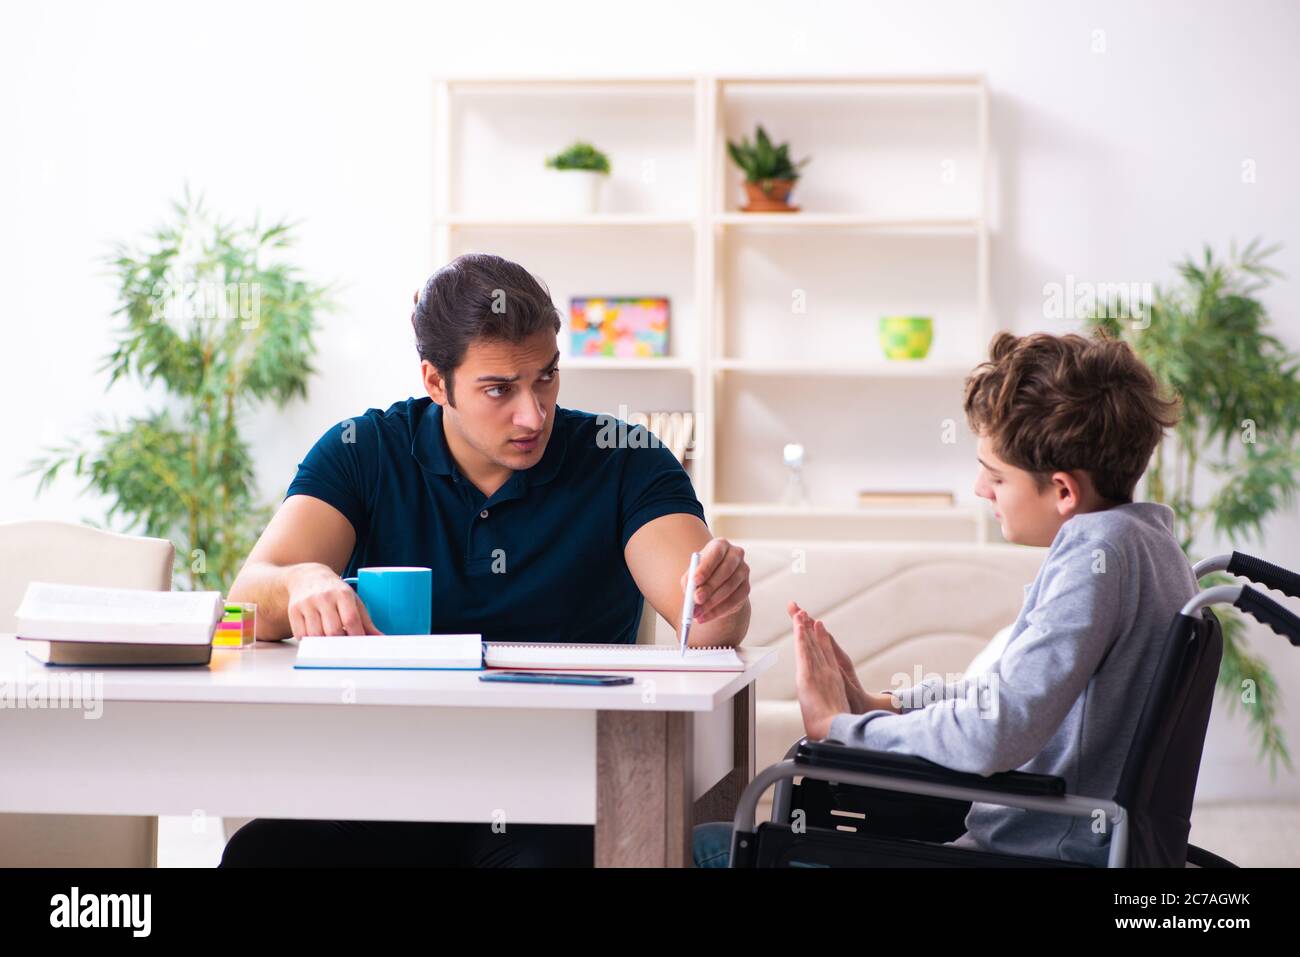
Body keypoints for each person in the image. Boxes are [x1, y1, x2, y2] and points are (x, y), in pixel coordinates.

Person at [221, 252, 751, 867]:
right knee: (262, 856)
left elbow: (704, 623)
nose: (533, 414)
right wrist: (301, 583)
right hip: (386, 784)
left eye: (546, 378)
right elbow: (247, 598)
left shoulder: (624, 457)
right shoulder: (362, 450)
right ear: (435, 381)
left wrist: (721, 597)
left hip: (560, 791)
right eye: (500, 389)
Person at [695, 329, 1188, 867]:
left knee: (707, 845)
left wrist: (842, 731)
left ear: (1064, 491)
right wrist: (882, 707)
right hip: (1058, 845)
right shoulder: (1150, 546)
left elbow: (998, 730)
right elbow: (1008, 692)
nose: (980, 489)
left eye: (996, 477)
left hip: (1028, 855)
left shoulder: (1096, 560)